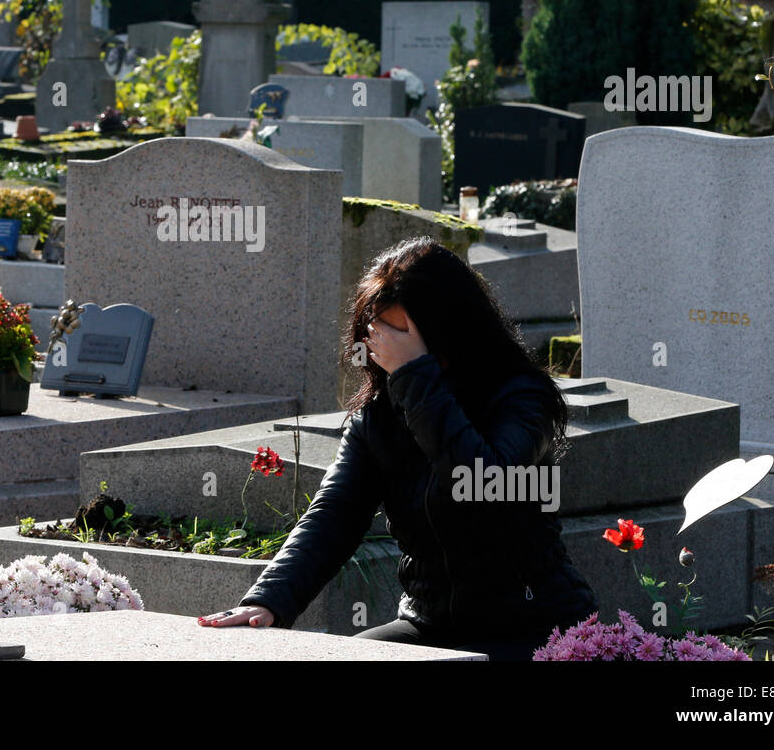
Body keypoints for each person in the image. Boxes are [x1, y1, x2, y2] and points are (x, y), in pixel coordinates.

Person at [198, 236, 597, 660]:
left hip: (533, 627)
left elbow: (483, 483)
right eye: (380, 337)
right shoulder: (381, 416)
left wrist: (415, 375)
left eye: (402, 337)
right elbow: (335, 513)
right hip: (429, 623)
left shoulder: (522, 397)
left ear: (448, 329)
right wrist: (268, 601)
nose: (385, 353)